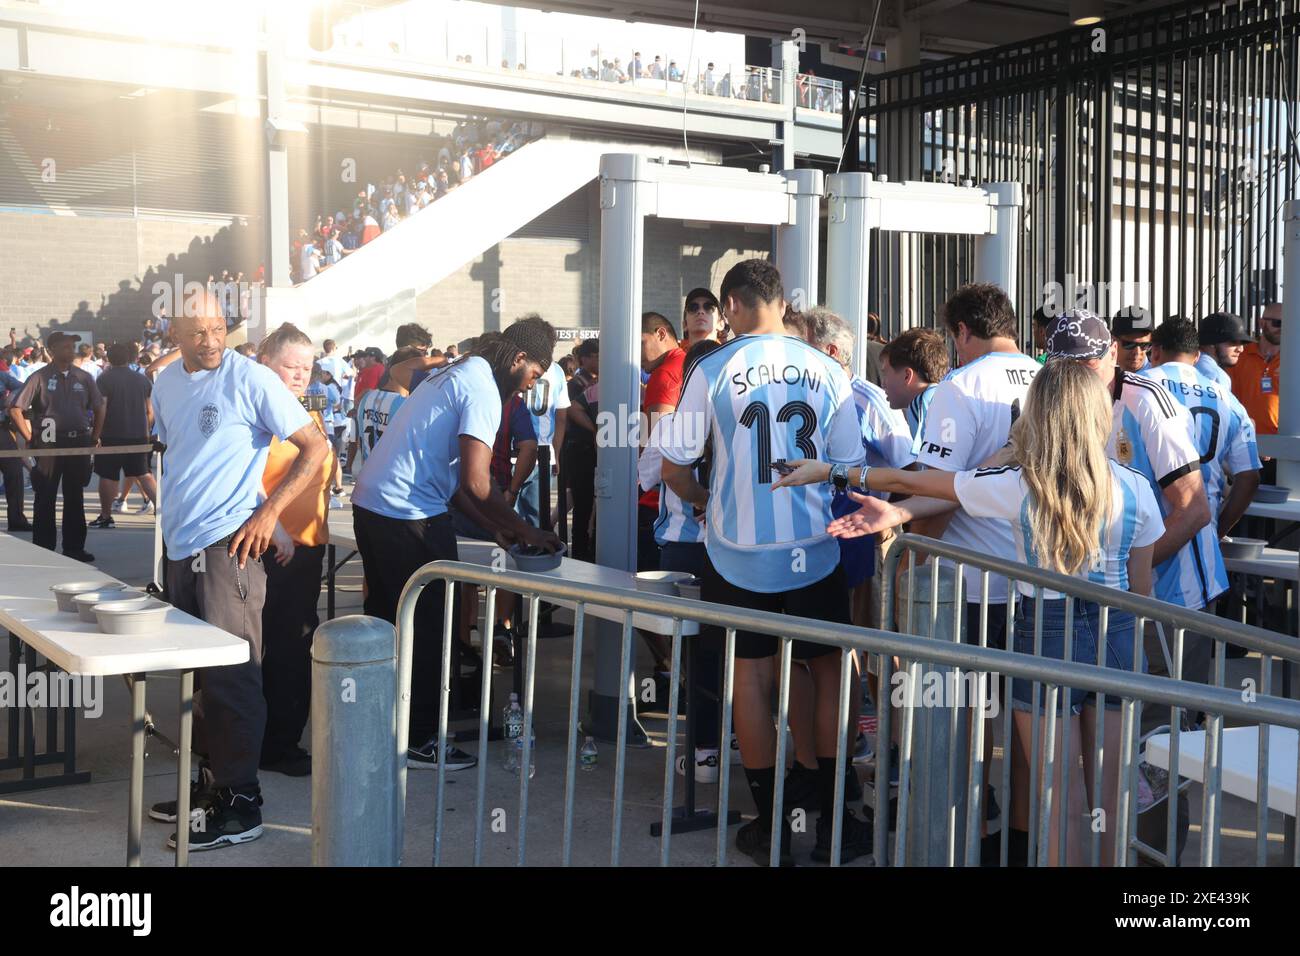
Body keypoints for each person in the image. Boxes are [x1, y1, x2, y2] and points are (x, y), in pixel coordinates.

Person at [775, 359, 1164, 866]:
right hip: (1117, 633)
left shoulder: (1020, 485)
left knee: (1059, 799)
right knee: (1109, 803)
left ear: (1040, 413)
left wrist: (833, 472)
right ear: (1099, 415)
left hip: (1043, 634)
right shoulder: (1135, 487)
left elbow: (928, 482)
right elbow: (1143, 590)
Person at [659, 258, 870, 866]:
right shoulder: (828, 369)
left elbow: (673, 464)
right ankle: (836, 822)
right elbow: (848, 465)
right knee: (828, 669)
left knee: (750, 677)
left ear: (729, 307)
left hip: (736, 551)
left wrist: (704, 503)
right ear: (782, 302)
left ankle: (772, 826)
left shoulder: (711, 367)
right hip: (813, 547)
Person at [148, 299, 328, 851]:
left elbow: (314, 447)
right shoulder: (165, 385)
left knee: (233, 676)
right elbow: (189, 459)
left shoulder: (249, 378)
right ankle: (211, 788)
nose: (209, 340)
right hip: (181, 547)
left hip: (229, 549)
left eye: (219, 329)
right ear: (172, 331)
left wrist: (267, 515)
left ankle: (241, 803)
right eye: (197, 331)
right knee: (200, 679)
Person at [350, 318, 562, 772]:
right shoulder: (483, 388)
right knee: (430, 630)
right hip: (405, 514)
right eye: (535, 375)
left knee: (390, 622)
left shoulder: (462, 370)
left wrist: (496, 527)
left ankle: (379, 727)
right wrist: (528, 530)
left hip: (374, 505)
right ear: (519, 359)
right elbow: (476, 480)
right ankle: (423, 738)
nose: (529, 387)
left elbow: (460, 487)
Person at [257, 325, 336, 777]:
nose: (301, 375)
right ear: (266, 362)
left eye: (307, 367)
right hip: (272, 547)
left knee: (294, 643)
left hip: (306, 545)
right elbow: (240, 474)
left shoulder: (305, 407)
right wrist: (273, 523)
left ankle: (279, 737)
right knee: (279, 647)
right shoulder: (260, 406)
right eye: (291, 366)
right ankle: (274, 743)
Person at [1145, 317, 1261, 538]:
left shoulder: (1135, 386)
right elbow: (1249, 476)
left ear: (1155, 351)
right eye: (1232, 341)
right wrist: (1218, 529)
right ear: (1197, 354)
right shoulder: (1225, 394)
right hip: (1205, 532)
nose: (1241, 348)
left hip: (1148, 530)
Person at [8, 332, 105, 561]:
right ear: (52, 351)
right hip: (49, 443)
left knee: (75, 496)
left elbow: (100, 406)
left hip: (78, 441)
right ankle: (43, 549)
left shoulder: (83, 377)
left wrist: (94, 437)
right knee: (45, 496)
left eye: (72, 347)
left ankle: (74, 548)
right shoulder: (39, 377)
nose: (70, 351)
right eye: (65, 347)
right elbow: (15, 409)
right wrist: (29, 436)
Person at [89, 342, 158, 529]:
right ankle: (164, 512)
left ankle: (106, 516)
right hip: (139, 435)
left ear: (109, 358)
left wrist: (96, 434)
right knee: (144, 473)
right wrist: (146, 431)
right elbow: (150, 411)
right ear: (129, 358)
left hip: (112, 434)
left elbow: (101, 408)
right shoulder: (142, 380)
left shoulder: (104, 379)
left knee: (108, 475)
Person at [517, 313, 568, 529]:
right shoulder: (556, 370)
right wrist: (557, 453)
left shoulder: (515, 364)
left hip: (514, 451)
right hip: (543, 453)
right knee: (537, 518)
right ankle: (534, 559)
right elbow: (562, 416)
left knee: (505, 518)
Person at [1229, 302, 1281, 481]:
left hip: (1283, 452)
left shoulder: (1294, 359)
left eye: (1288, 323)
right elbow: (1229, 402)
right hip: (1245, 448)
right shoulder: (1240, 356)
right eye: (1277, 323)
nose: (1283, 328)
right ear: (1261, 323)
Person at [879, 327, 949, 455]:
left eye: (885, 374)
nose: (883, 383)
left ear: (907, 375)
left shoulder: (920, 403)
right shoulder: (942, 396)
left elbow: (929, 471)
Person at [561, 338, 599, 561]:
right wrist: (595, 429)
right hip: (579, 451)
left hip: (592, 451)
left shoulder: (598, 381)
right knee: (583, 505)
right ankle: (581, 556)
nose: (601, 360)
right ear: (585, 358)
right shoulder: (576, 385)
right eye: (597, 356)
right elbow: (570, 412)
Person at [0, 362, 30, 532]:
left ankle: (17, 520)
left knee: (15, 472)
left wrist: (13, 398)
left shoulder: (2, 376)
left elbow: (24, 386)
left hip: (2, 430)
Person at [1196, 311, 1249, 391]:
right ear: (1212, 341)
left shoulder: (1184, 364)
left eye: (1242, 343)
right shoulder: (1217, 376)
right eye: (1233, 341)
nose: (1241, 349)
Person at [1111, 306, 1153, 373]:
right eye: (1129, 344)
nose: (1137, 352)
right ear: (1113, 341)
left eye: (1145, 345)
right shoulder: (1100, 375)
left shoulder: (1158, 379)